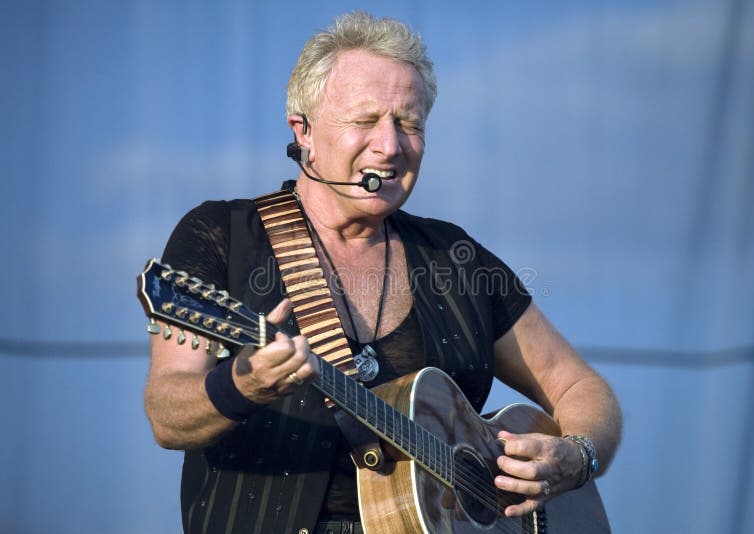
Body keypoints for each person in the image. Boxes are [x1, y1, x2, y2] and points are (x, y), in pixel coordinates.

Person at [144, 11, 622, 534]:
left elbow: (581, 388)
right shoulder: (225, 235)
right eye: (364, 121)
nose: (391, 146)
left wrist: (576, 458)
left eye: (409, 124)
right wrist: (244, 385)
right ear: (303, 130)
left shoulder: (456, 258)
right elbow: (167, 414)